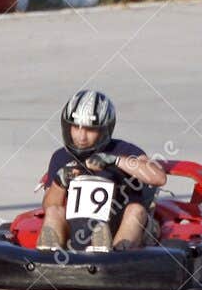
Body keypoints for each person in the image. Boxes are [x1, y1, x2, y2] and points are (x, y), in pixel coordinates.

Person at [39, 90, 168, 251]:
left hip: (123, 225)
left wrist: (115, 161)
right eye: (76, 128)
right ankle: (47, 258)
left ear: (104, 130)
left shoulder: (123, 150)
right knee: (52, 212)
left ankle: (117, 256)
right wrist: (59, 181)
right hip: (76, 227)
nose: (82, 136)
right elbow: (50, 206)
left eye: (90, 130)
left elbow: (158, 178)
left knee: (136, 210)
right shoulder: (61, 157)